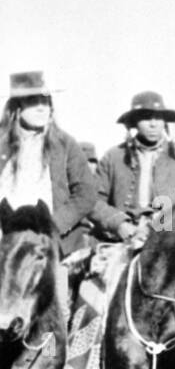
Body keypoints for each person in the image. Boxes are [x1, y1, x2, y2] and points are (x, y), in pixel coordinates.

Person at [0, 71, 106, 264]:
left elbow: (86, 193)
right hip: (6, 241)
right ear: (17, 106)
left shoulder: (65, 144)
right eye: (33, 101)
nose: (42, 108)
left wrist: (53, 225)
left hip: (56, 244)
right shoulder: (2, 145)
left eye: (46, 101)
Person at [97, 90, 175, 229]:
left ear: (165, 122)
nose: (153, 124)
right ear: (134, 122)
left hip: (168, 237)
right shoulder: (113, 157)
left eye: (158, 118)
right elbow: (93, 201)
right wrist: (119, 223)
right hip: (122, 239)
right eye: (146, 118)